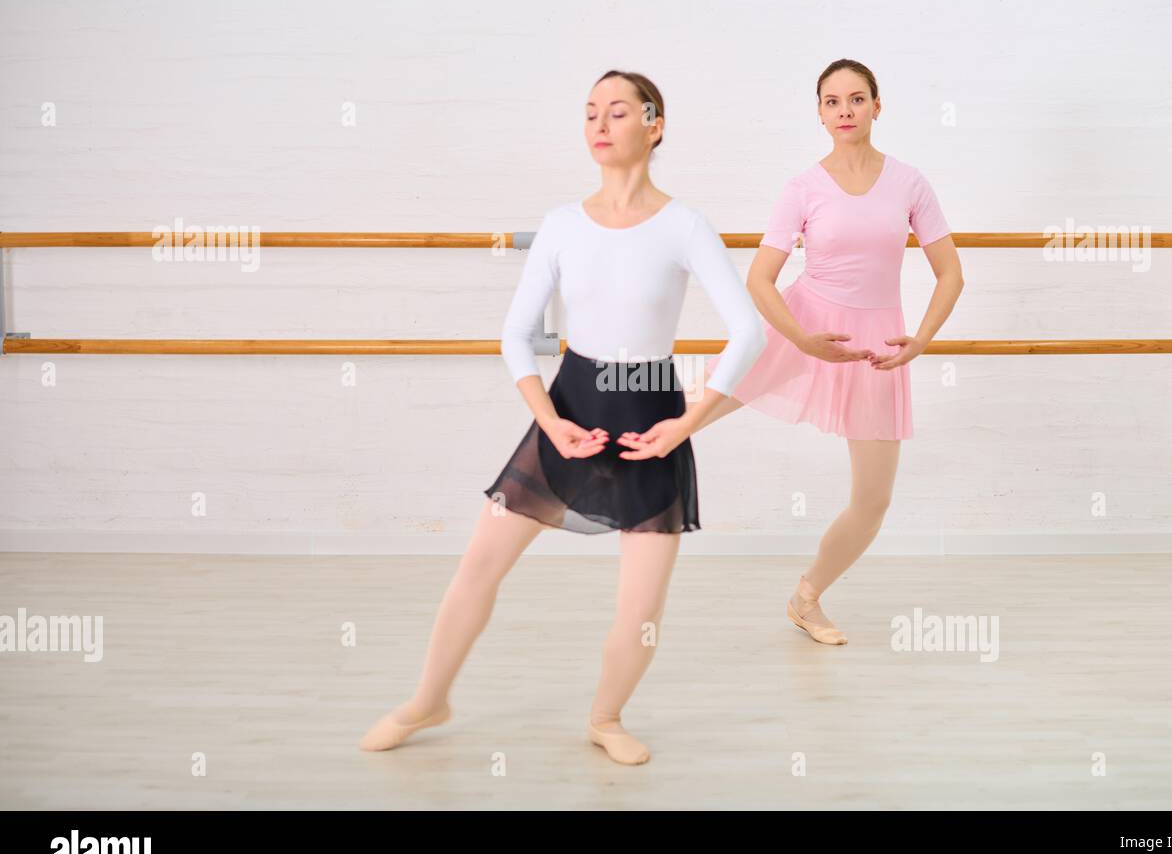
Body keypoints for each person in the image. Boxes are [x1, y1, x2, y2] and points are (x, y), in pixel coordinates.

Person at [359, 69, 766, 765]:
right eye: (588, 114)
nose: (599, 125)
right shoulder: (561, 225)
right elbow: (515, 336)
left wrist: (687, 423)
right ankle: (430, 698)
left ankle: (606, 719)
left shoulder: (685, 225)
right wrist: (550, 422)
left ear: (654, 124)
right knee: (478, 566)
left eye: (616, 111)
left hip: (649, 422)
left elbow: (749, 332)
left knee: (640, 609)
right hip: (570, 408)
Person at [697, 58, 965, 645]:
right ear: (819, 112)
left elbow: (950, 274)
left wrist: (920, 340)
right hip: (806, 324)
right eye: (832, 101)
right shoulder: (802, 188)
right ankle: (600, 461)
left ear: (877, 106)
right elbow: (761, 280)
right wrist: (800, 339)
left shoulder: (910, 182)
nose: (845, 110)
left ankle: (806, 598)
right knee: (691, 413)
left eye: (856, 99)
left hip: (876, 347)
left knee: (873, 499)